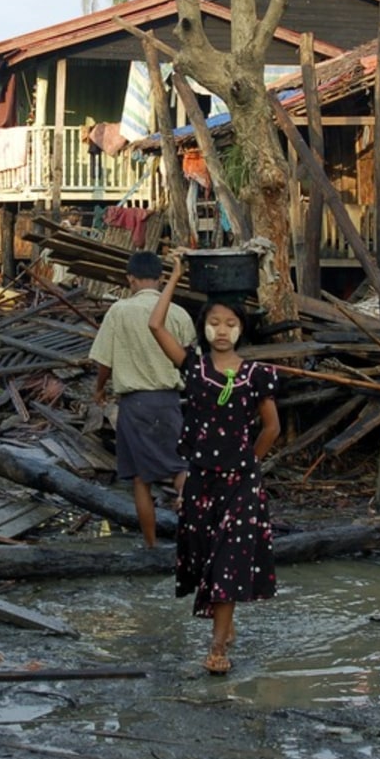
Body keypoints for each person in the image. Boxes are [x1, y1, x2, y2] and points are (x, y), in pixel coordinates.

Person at [148, 255, 279, 676]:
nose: (222, 331)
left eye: (231, 324)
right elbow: (155, 325)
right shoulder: (194, 367)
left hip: (241, 483)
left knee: (229, 562)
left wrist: (249, 465)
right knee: (207, 560)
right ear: (204, 328)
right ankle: (227, 621)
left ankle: (218, 645)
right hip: (201, 482)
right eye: (215, 323)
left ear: (242, 329)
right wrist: (174, 278)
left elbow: (271, 427)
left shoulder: (256, 374)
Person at [90, 250, 195, 550]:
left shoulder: (119, 312)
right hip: (170, 401)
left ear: (130, 280)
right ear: (161, 279)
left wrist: (99, 389)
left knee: (140, 480)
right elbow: (187, 360)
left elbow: (104, 363)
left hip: (134, 404)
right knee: (179, 467)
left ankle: (150, 547)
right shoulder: (178, 314)